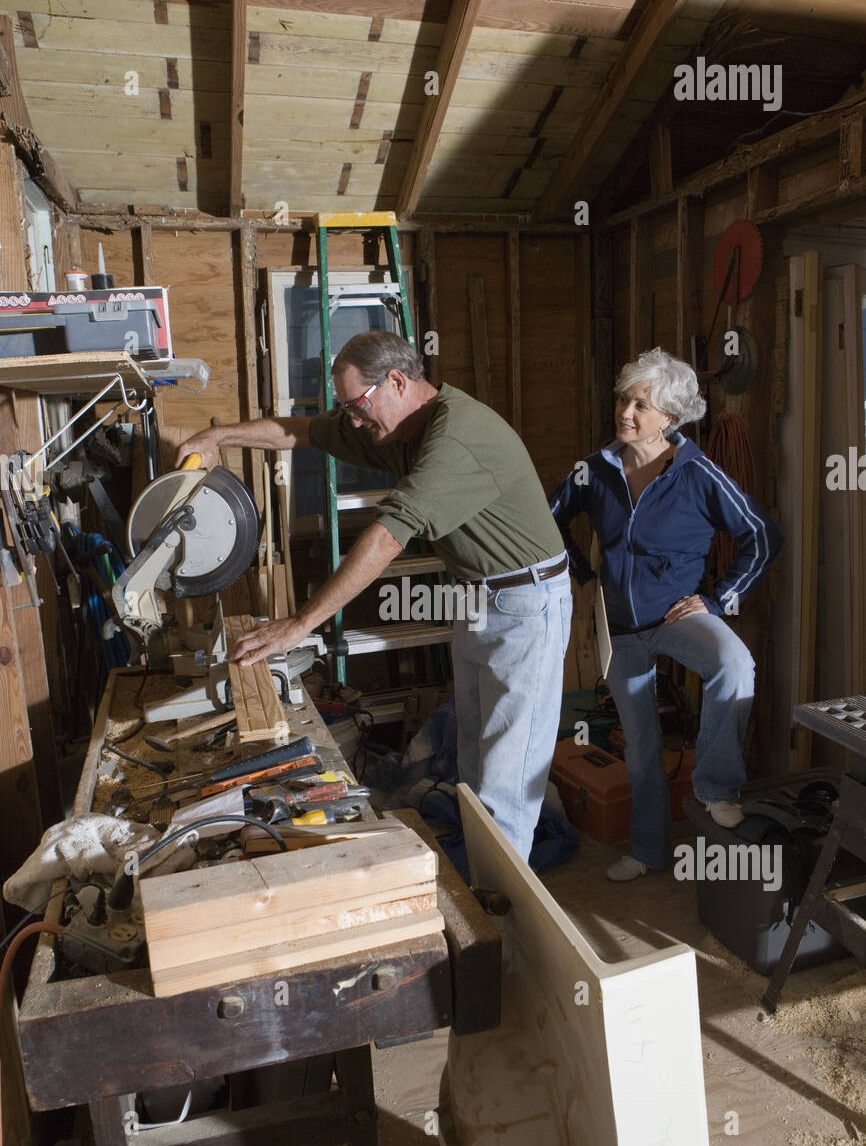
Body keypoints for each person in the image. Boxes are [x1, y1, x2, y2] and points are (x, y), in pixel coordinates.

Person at [175, 330, 572, 861]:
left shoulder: (456, 437)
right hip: (478, 600)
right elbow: (300, 433)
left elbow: (388, 536)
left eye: (358, 407)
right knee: (476, 773)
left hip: (527, 606)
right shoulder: (397, 423)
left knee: (507, 784)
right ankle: (486, 891)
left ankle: (503, 930)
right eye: (348, 410)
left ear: (398, 381)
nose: (354, 422)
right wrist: (217, 436)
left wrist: (299, 625)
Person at [549, 346, 782, 882]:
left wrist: (718, 599)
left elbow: (763, 537)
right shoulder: (596, 469)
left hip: (678, 616)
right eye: (624, 400)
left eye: (641, 406)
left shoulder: (699, 474)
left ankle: (716, 786)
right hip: (620, 630)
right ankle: (648, 850)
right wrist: (583, 578)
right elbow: (549, 521)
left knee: (735, 665)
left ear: (670, 419)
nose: (626, 414)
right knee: (641, 751)